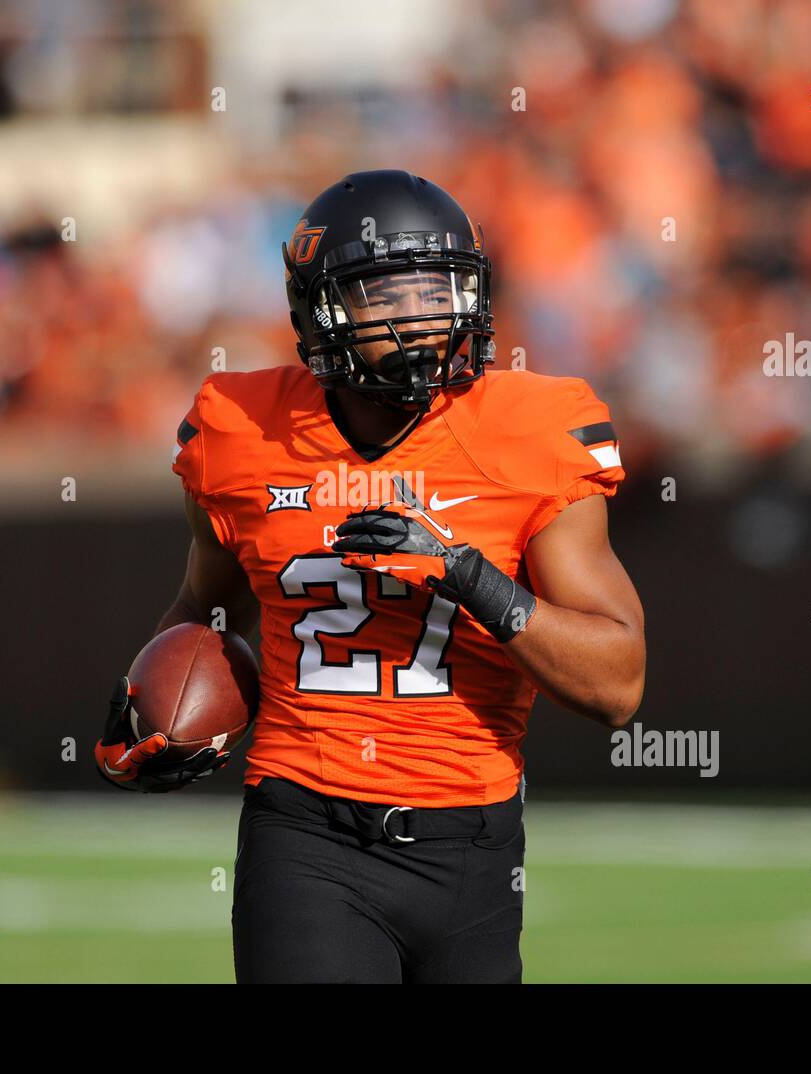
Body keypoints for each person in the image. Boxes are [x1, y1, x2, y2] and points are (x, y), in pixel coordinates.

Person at [95, 170, 645, 983]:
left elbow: (617, 686)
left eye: (442, 290)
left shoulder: (532, 430)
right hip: (306, 830)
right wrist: (159, 707)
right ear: (322, 311)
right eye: (390, 295)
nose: (427, 318)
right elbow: (207, 611)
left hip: (475, 841)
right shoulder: (242, 431)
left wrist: (464, 572)